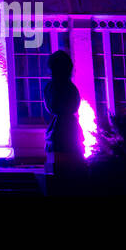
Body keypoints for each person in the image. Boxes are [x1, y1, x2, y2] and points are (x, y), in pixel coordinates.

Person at [43, 49, 85, 187]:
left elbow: (51, 106)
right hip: (67, 126)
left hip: (62, 126)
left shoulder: (53, 87)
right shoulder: (71, 88)